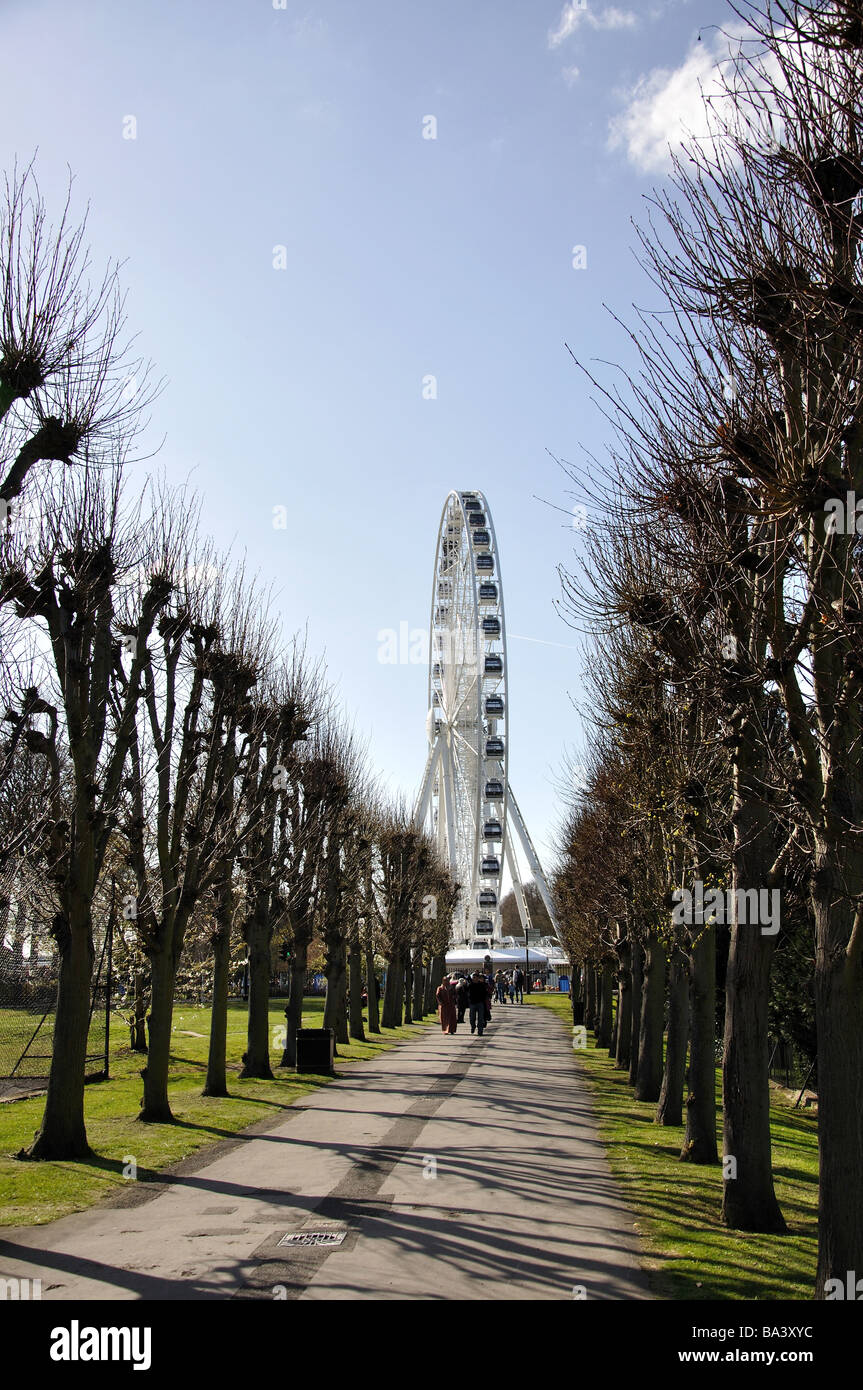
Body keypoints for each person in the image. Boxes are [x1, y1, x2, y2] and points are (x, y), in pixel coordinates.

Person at [468, 971, 487, 1035]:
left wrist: (484, 999)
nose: (474, 979)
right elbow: (466, 991)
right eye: (473, 977)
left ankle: (480, 1030)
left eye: (475, 977)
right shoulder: (470, 985)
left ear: (478, 978)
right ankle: (473, 1026)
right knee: (472, 1017)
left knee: (480, 1018)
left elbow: (485, 993)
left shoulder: (481, 985)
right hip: (472, 1003)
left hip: (480, 1003)